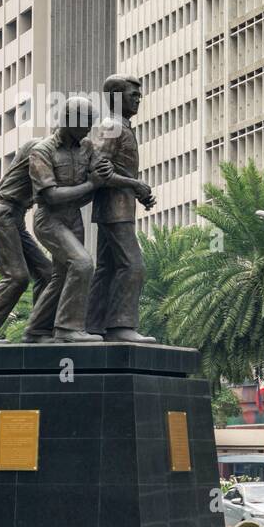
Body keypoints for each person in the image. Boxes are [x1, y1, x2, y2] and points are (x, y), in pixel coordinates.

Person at [23, 95, 129, 343]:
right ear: (68, 119)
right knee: (82, 263)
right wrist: (91, 184)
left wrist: (132, 184)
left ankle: (36, 330)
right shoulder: (42, 151)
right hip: (49, 220)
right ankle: (68, 329)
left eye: (92, 122)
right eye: (85, 122)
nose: (89, 128)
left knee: (61, 276)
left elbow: (103, 175)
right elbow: (51, 196)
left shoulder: (88, 148)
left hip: (74, 218)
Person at [86, 73, 157, 343]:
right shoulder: (112, 125)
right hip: (114, 210)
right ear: (116, 97)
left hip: (119, 207)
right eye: (133, 94)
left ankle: (93, 325)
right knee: (132, 265)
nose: (139, 99)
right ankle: (120, 326)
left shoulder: (122, 126)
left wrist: (136, 191)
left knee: (107, 267)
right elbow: (99, 169)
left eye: (139, 95)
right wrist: (135, 185)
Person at [0, 138, 53, 344]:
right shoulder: (38, 149)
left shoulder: (45, 152)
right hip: (3, 215)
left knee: (47, 273)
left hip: (15, 218)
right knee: (16, 277)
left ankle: (38, 330)